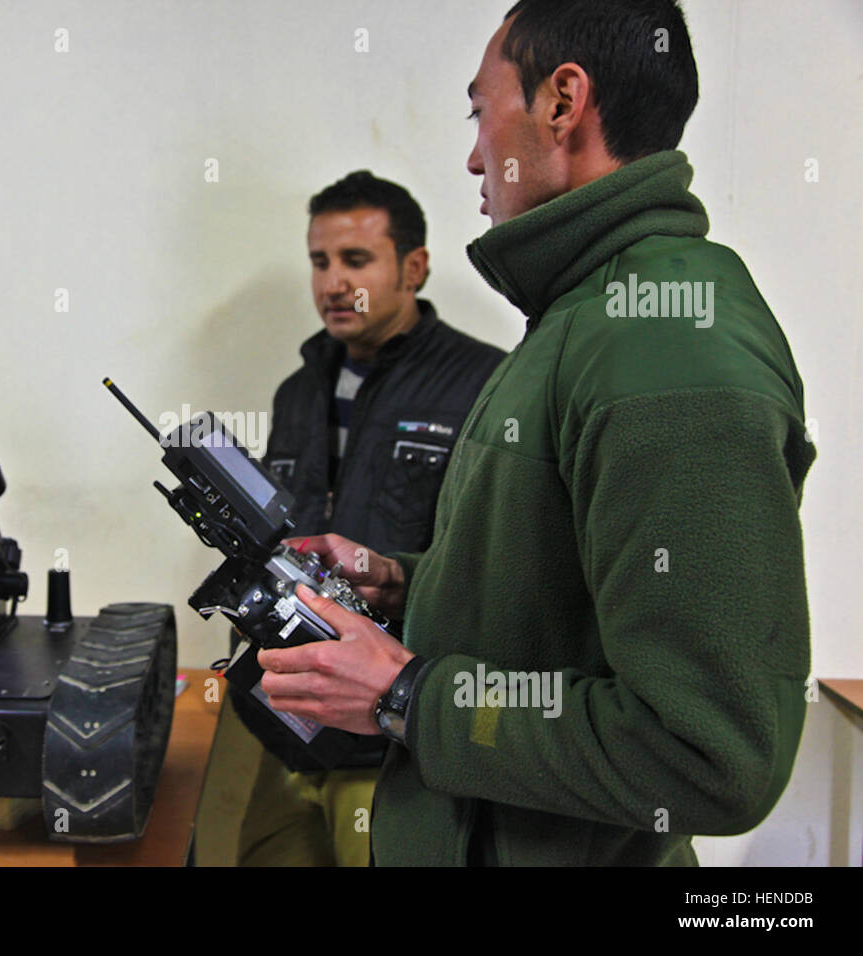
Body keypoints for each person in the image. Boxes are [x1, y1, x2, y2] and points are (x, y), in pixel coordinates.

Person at [257, 0, 815, 866]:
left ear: (563, 102)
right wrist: (404, 584)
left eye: (480, 112)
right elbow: (559, 600)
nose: (474, 154)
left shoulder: (668, 344)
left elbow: (710, 755)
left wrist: (405, 696)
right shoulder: (582, 319)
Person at [204, 171, 503, 867]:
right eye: (319, 261)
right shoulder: (298, 391)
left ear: (414, 267)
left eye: (356, 260)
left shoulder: (486, 387)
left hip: (392, 742)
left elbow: (487, 571)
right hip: (280, 715)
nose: (333, 283)